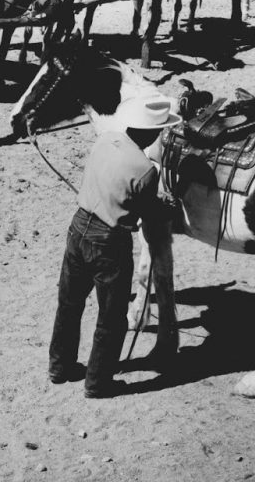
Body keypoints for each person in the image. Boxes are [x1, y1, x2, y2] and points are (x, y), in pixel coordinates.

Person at [48, 96, 181, 399]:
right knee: (111, 316)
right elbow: (147, 211)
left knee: (69, 304)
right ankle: (97, 383)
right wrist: (167, 207)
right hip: (109, 242)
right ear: (152, 132)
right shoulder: (146, 170)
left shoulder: (106, 140)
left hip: (78, 227)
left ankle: (60, 366)